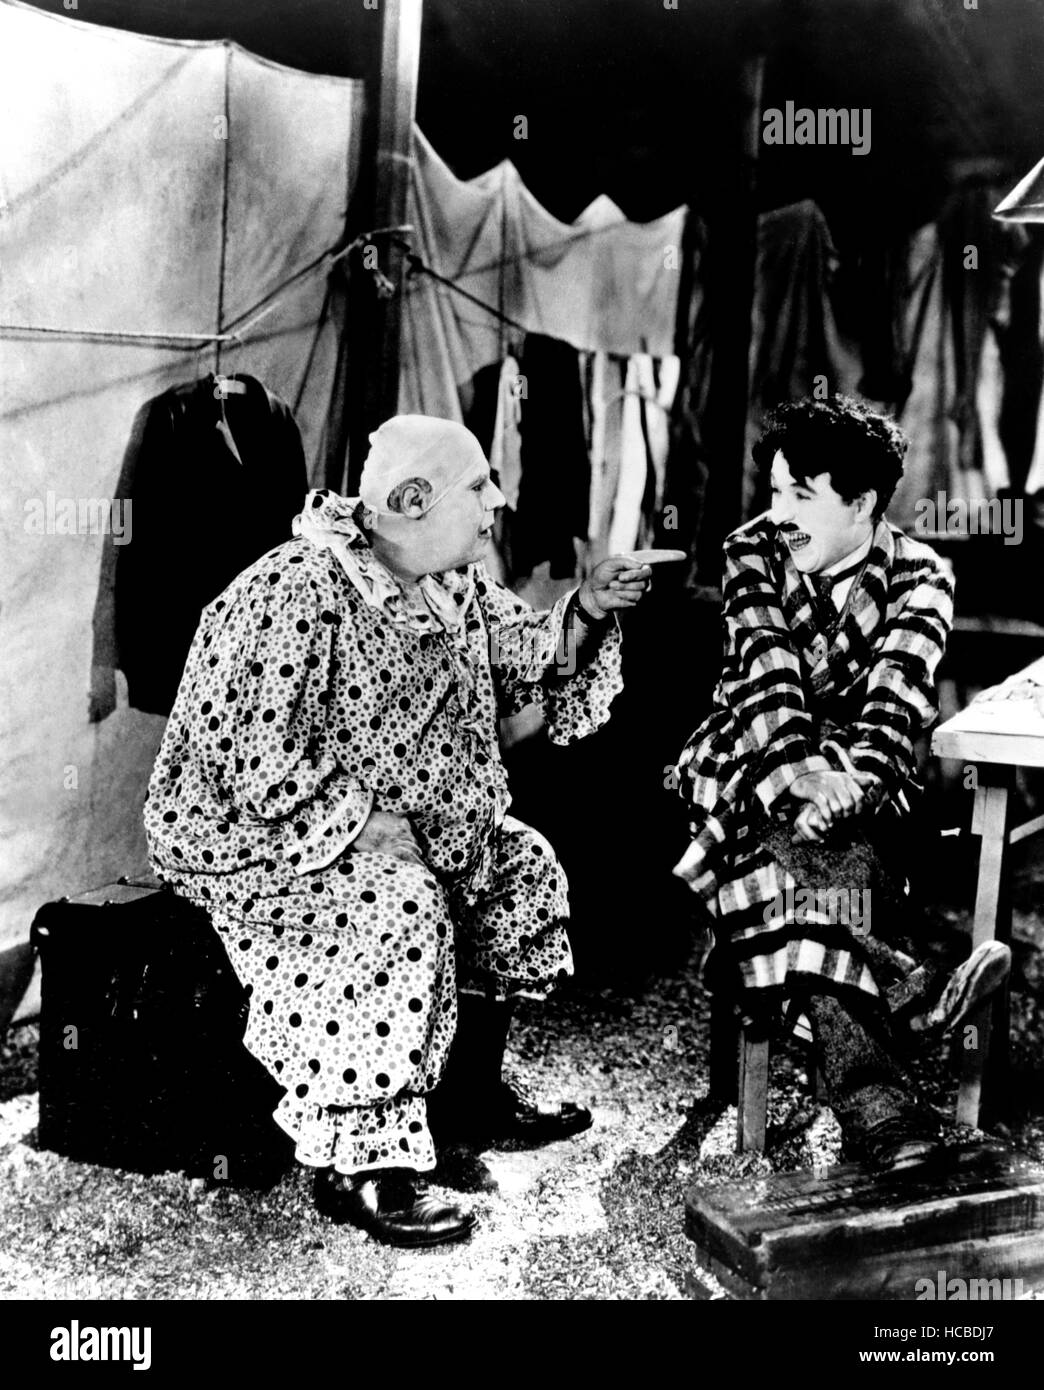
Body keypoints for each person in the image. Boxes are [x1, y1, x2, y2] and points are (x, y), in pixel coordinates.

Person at [144, 414, 651, 1247]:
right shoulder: (294, 591)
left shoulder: (445, 578)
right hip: (260, 831)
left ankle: (468, 1094)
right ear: (413, 500)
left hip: (414, 823)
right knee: (397, 909)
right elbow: (252, 755)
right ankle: (365, 1165)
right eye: (480, 486)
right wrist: (361, 821)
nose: (499, 500)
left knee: (521, 865)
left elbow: (529, 650)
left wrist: (586, 608)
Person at [673, 396, 1010, 1172]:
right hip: (750, 758)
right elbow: (767, 675)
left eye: (802, 495)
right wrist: (802, 775)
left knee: (807, 885)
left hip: (862, 781)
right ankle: (898, 1052)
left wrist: (845, 782)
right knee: (816, 846)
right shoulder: (750, 550)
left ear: (861, 504)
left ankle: (771, 959)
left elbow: (896, 702)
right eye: (774, 491)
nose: (779, 513)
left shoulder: (924, 575)